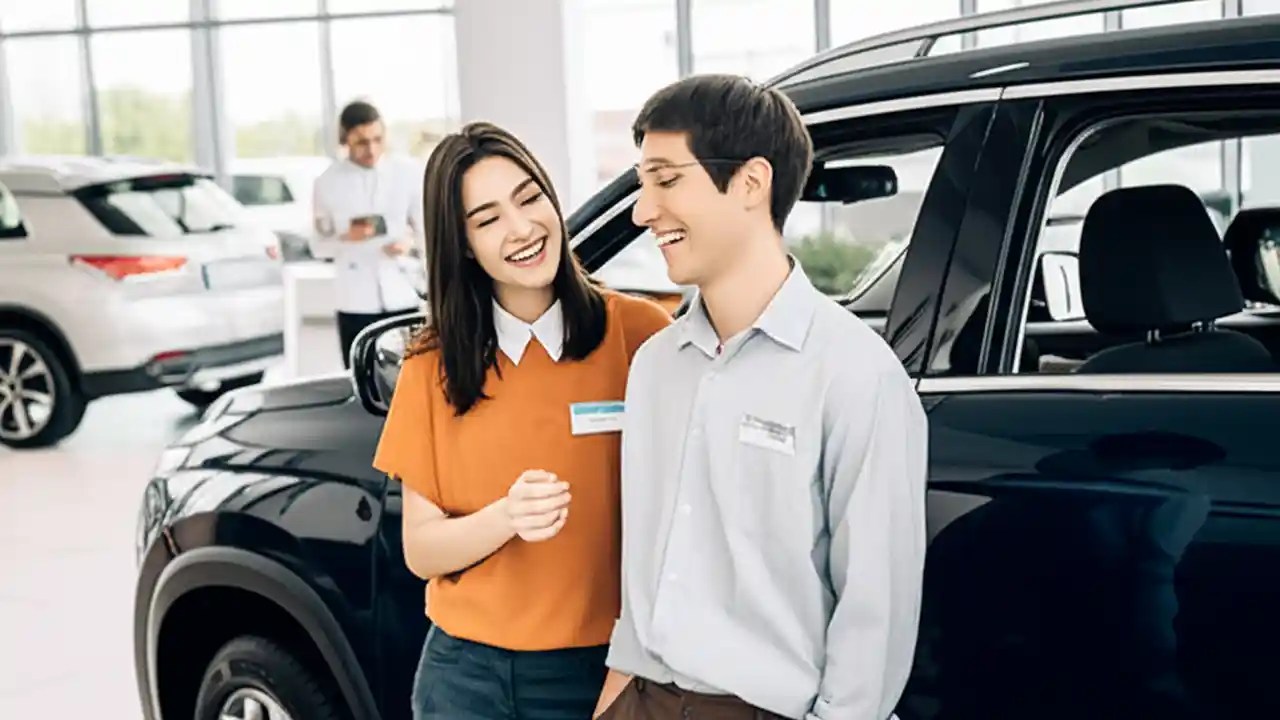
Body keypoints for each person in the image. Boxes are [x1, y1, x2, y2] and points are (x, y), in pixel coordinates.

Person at [594, 74, 930, 720]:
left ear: (751, 183)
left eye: (666, 181)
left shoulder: (856, 376)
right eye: (642, 184)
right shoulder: (656, 366)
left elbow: (875, 621)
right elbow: (644, 580)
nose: (643, 212)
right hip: (641, 700)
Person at [371, 121, 672, 720]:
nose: (521, 228)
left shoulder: (639, 334)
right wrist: (506, 517)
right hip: (466, 680)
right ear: (463, 245)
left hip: (604, 671)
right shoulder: (432, 364)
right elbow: (422, 551)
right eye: (487, 220)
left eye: (529, 198)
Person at [311, 99, 426, 367]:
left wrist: (408, 243)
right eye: (361, 142)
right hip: (355, 300)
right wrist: (345, 238)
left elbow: (426, 230)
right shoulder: (326, 183)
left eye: (377, 139)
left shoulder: (407, 173)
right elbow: (318, 246)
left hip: (402, 292)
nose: (371, 149)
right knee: (360, 375)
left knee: (413, 374)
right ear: (345, 140)